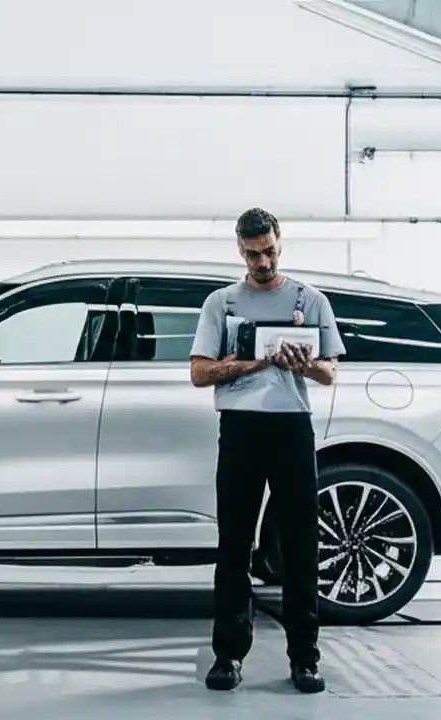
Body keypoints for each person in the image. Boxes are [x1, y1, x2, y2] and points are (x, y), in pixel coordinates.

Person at [188, 207, 346, 694]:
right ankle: (228, 656)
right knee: (234, 544)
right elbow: (199, 373)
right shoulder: (220, 303)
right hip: (240, 429)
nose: (263, 261)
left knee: (300, 545)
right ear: (240, 250)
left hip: (291, 428)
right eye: (253, 254)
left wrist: (303, 366)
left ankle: (305, 658)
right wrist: (252, 363)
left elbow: (330, 372)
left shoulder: (310, 300)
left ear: (281, 243)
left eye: (270, 251)